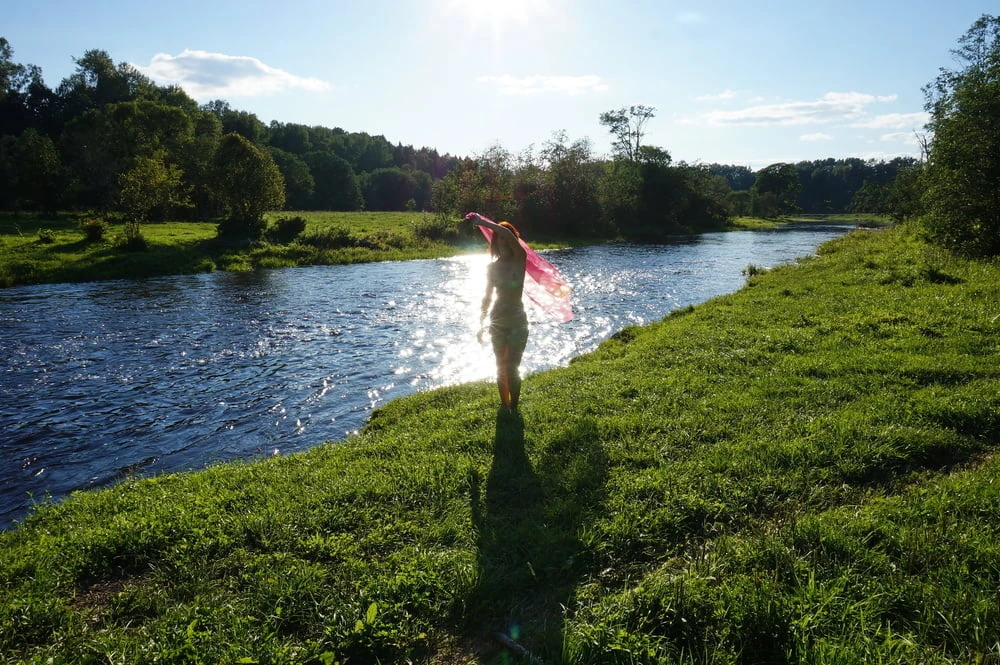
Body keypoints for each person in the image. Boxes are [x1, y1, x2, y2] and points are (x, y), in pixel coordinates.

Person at [466, 213, 528, 412]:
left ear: (512, 240)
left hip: (517, 321)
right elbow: (487, 296)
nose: (502, 241)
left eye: (505, 237)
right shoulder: (491, 268)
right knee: (500, 368)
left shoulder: (520, 259)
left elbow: (509, 235)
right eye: (498, 237)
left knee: (512, 368)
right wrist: (481, 322)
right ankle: (505, 407)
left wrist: (484, 223)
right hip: (497, 321)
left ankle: (515, 407)